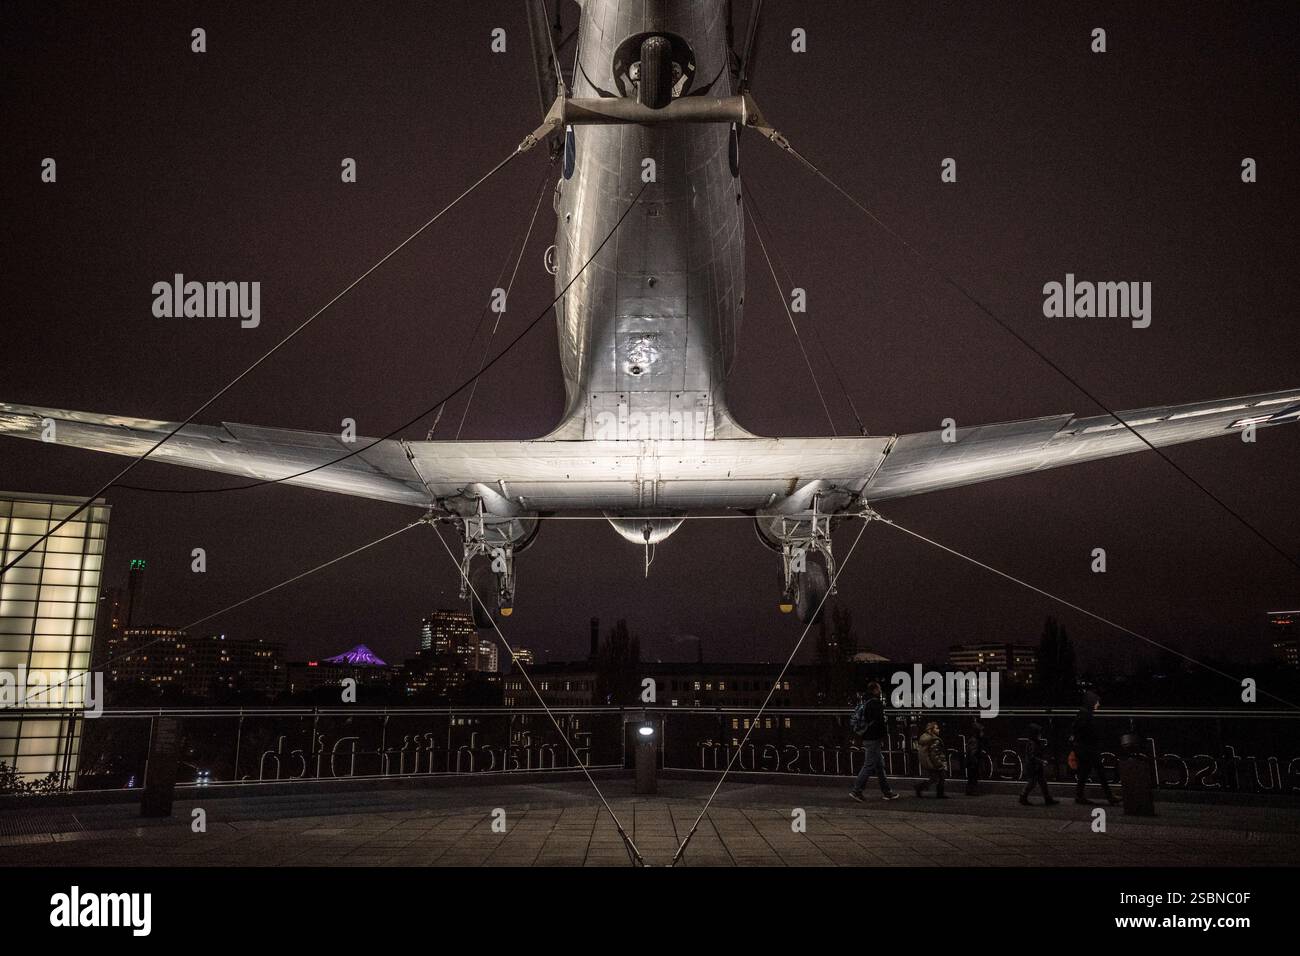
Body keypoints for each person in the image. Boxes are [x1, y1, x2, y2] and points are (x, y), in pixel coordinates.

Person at [849, 682, 900, 802]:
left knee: (879, 765)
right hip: (873, 738)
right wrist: (883, 736)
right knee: (869, 765)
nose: (880, 691)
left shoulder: (865, 702)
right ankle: (857, 790)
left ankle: (887, 791)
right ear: (875, 690)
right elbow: (879, 722)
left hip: (867, 737)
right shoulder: (876, 703)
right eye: (879, 689)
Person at [1072, 690, 1120, 806]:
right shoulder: (1086, 715)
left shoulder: (1083, 713)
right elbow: (1087, 732)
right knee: (1100, 772)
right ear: (1091, 702)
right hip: (1088, 749)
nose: (1098, 704)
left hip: (1084, 748)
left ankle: (1080, 796)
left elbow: (1078, 730)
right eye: (1097, 702)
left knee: (1085, 772)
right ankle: (1109, 797)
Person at [1019, 722, 1059, 806]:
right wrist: (1042, 761)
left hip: (1035, 766)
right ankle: (1023, 797)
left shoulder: (1033, 742)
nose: (1040, 735)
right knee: (1033, 783)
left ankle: (1046, 798)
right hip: (1034, 766)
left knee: (1041, 782)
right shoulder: (1033, 743)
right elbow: (1032, 756)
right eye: (1038, 733)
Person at [914, 721, 948, 797]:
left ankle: (920, 787)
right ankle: (940, 793)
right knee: (941, 777)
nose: (939, 730)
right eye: (937, 728)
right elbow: (934, 754)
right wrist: (940, 764)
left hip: (928, 762)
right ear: (931, 730)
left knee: (934, 778)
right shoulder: (935, 740)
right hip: (935, 763)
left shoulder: (925, 738)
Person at [964, 719, 987, 796]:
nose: (982, 733)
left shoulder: (973, 739)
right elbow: (973, 753)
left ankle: (970, 790)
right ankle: (971, 790)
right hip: (973, 763)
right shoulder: (975, 741)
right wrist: (976, 762)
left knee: (971, 777)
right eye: (981, 731)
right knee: (973, 777)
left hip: (971, 762)